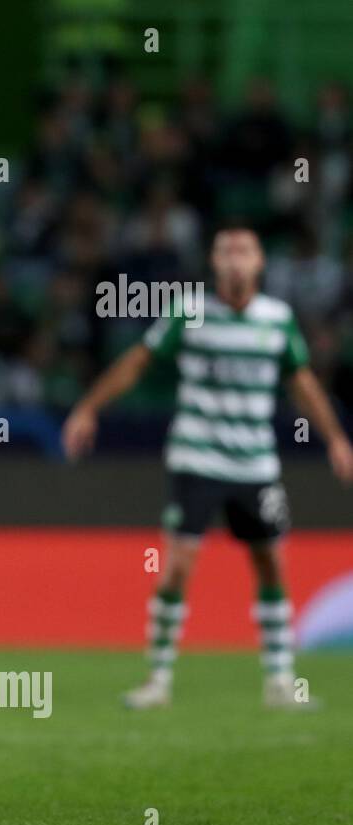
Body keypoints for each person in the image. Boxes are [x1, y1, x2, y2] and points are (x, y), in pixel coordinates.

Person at [62, 225, 353, 709]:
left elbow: (301, 383)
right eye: (226, 251)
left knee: (271, 562)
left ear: (260, 262)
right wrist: (89, 407)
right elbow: (139, 360)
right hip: (197, 457)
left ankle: (280, 679)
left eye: (245, 251)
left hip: (256, 462)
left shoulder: (276, 319)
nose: (236, 259)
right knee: (178, 564)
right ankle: (158, 678)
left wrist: (337, 440)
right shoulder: (190, 311)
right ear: (214, 262)